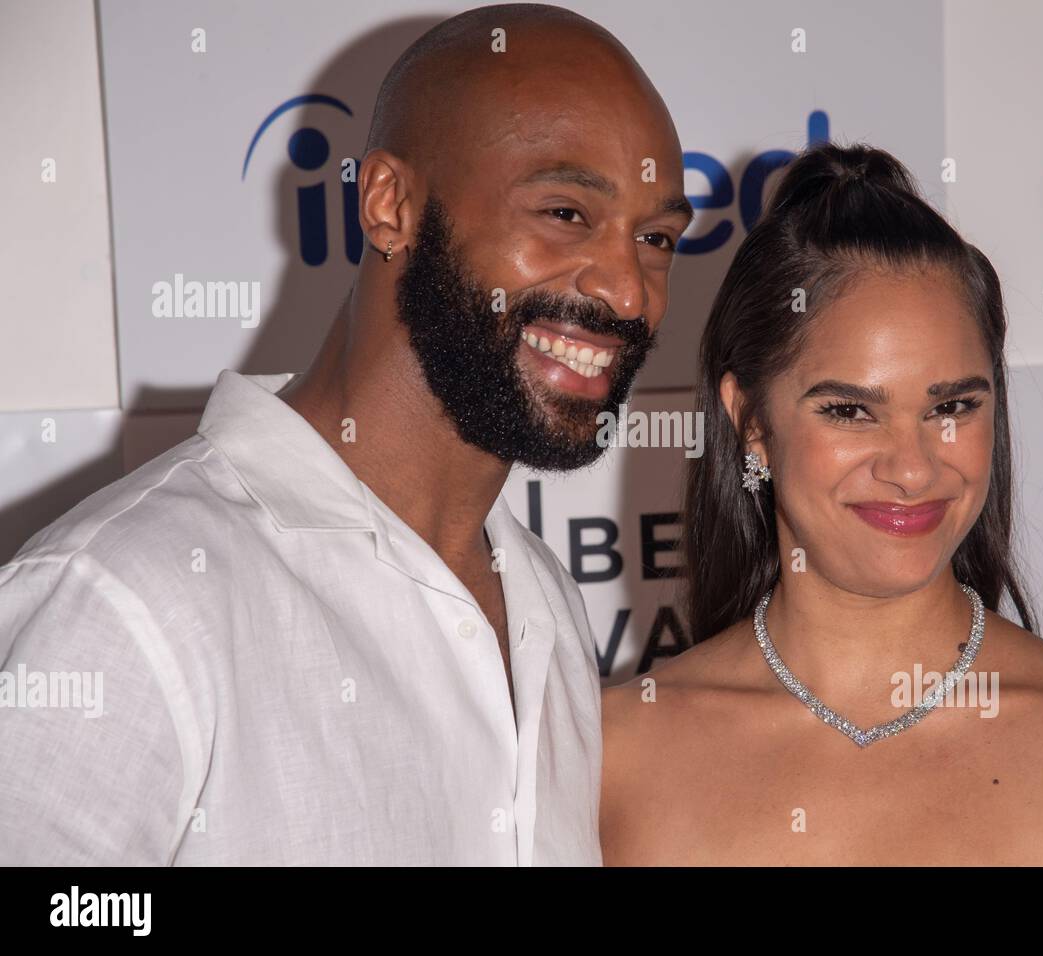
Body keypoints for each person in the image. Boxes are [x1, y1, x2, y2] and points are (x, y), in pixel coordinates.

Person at [0, 3, 692, 865]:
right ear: (390, 204)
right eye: (563, 213)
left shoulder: (542, 599)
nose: (628, 291)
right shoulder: (122, 598)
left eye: (657, 237)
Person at [599, 141, 1043, 866]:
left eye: (953, 407)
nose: (912, 469)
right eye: (849, 411)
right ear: (751, 423)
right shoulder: (611, 761)